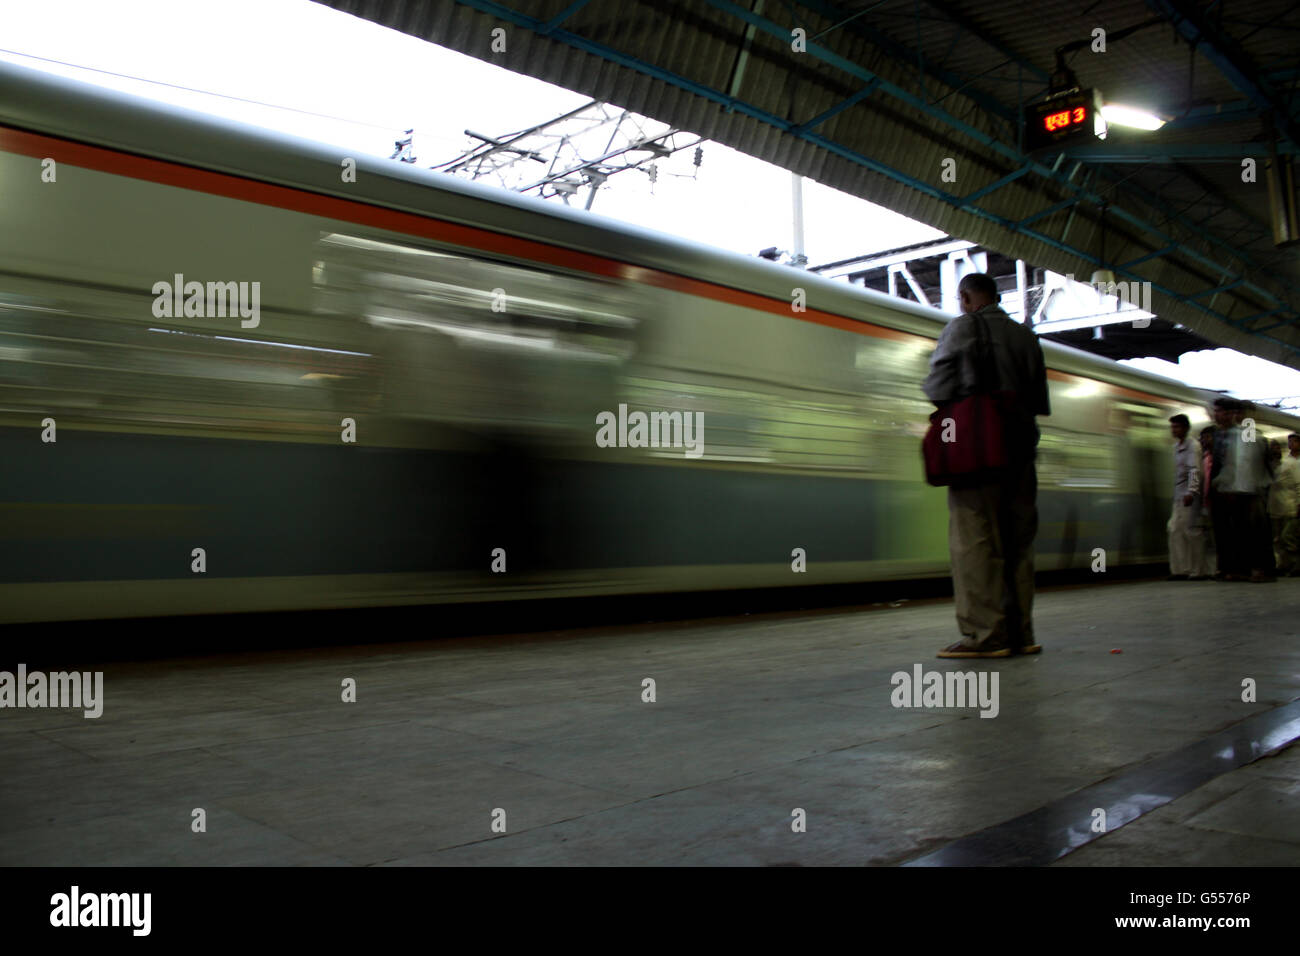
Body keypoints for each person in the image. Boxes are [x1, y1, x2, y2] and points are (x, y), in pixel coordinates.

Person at [923, 273, 1050, 659]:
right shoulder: (1026, 335)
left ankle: (985, 636)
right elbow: (1039, 400)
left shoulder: (962, 327)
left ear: (965, 298)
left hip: (977, 450)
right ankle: (1020, 633)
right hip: (1021, 450)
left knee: (975, 542)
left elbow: (938, 387)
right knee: (1018, 544)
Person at [1166, 414, 1204, 580]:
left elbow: (1195, 470)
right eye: (1173, 427)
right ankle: (1180, 569)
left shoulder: (1193, 446)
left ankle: (1197, 571)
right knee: (1174, 530)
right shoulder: (1176, 447)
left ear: (1186, 428)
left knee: (1191, 532)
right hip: (1179, 495)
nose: (1174, 430)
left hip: (1189, 496)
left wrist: (1192, 491)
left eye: (1177, 427)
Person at [1269, 434, 1300, 575]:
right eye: (1289, 442)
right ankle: (1283, 564)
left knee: (1287, 536)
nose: (1291, 445)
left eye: (1294, 442)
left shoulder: (1292, 464)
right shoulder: (1280, 464)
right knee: (1278, 539)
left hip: (1290, 506)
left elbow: (1298, 484)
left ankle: (1295, 564)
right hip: (1276, 507)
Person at [1197, 426, 1218, 579]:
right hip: (1206, 502)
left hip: (1219, 500)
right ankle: (1212, 568)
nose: (1204, 441)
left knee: (1219, 537)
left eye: (1207, 437)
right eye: (1202, 438)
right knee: (1209, 537)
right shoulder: (1204, 457)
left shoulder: (1220, 455)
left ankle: (1222, 567)